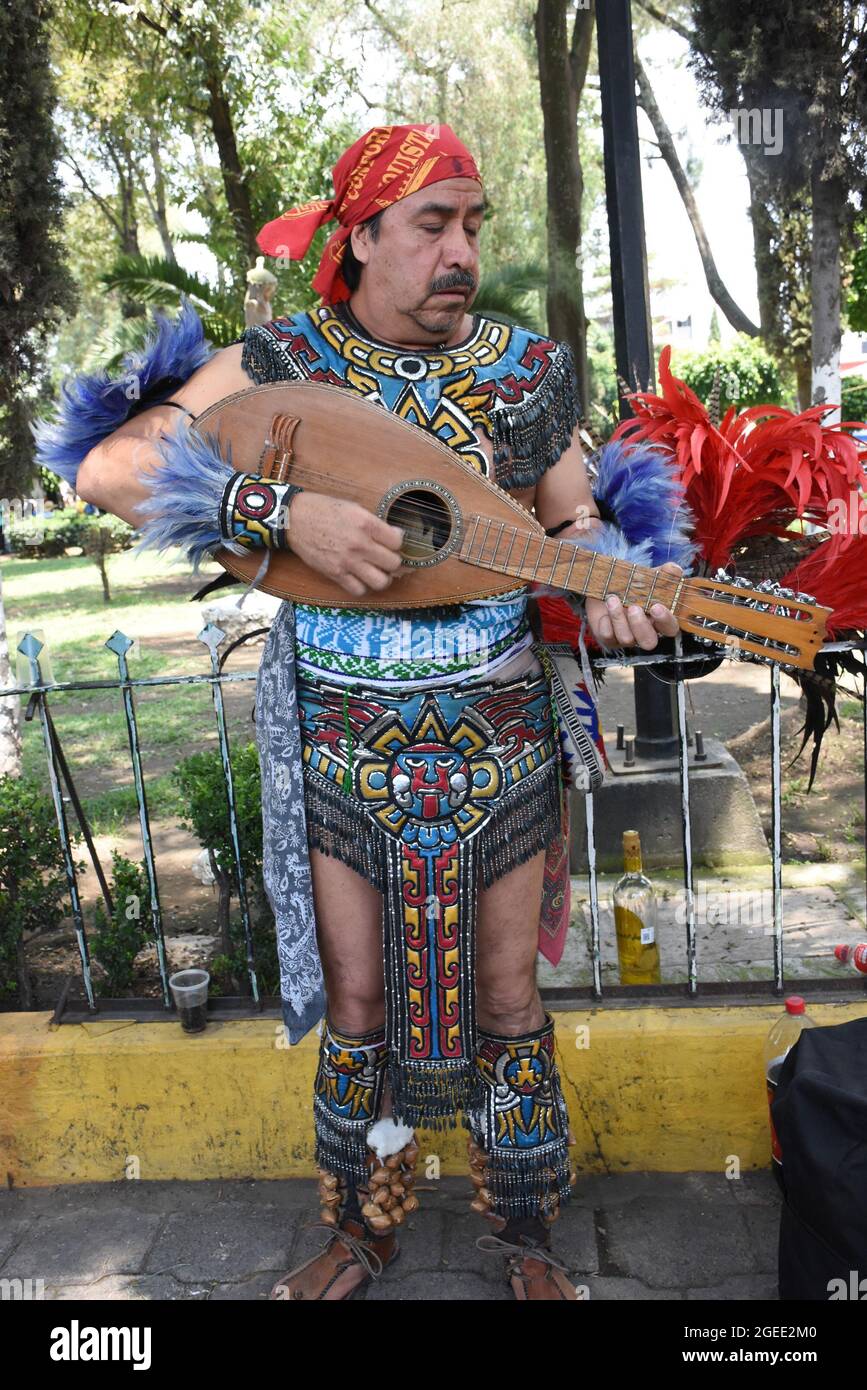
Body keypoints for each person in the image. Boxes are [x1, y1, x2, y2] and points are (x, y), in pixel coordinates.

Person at [43, 122, 688, 1301]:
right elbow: (107, 469)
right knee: (359, 1001)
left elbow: (571, 518)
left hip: (498, 734)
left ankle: (528, 1240)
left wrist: (604, 572)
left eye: (474, 224)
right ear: (362, 237)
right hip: (343, 741)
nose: (462, 252)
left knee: (506, 999)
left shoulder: (524, 371)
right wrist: (278, 514)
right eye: (432, 225)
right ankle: (360, 1229)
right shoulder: (281, 360)